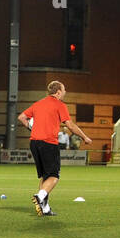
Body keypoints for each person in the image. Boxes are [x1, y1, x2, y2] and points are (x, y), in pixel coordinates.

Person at [19, 81, 92, 217]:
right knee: (54, 176)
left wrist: (32, 128)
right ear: (58, 92)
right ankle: (40, 196)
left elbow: (22, 117)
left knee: (45, 176)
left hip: (34, 143)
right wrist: (85, 137)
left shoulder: (38, 104)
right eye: (64, 90)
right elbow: (70, 125)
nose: (65, 92)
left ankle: (45, 208)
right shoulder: (60, 105)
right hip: (48, 143)